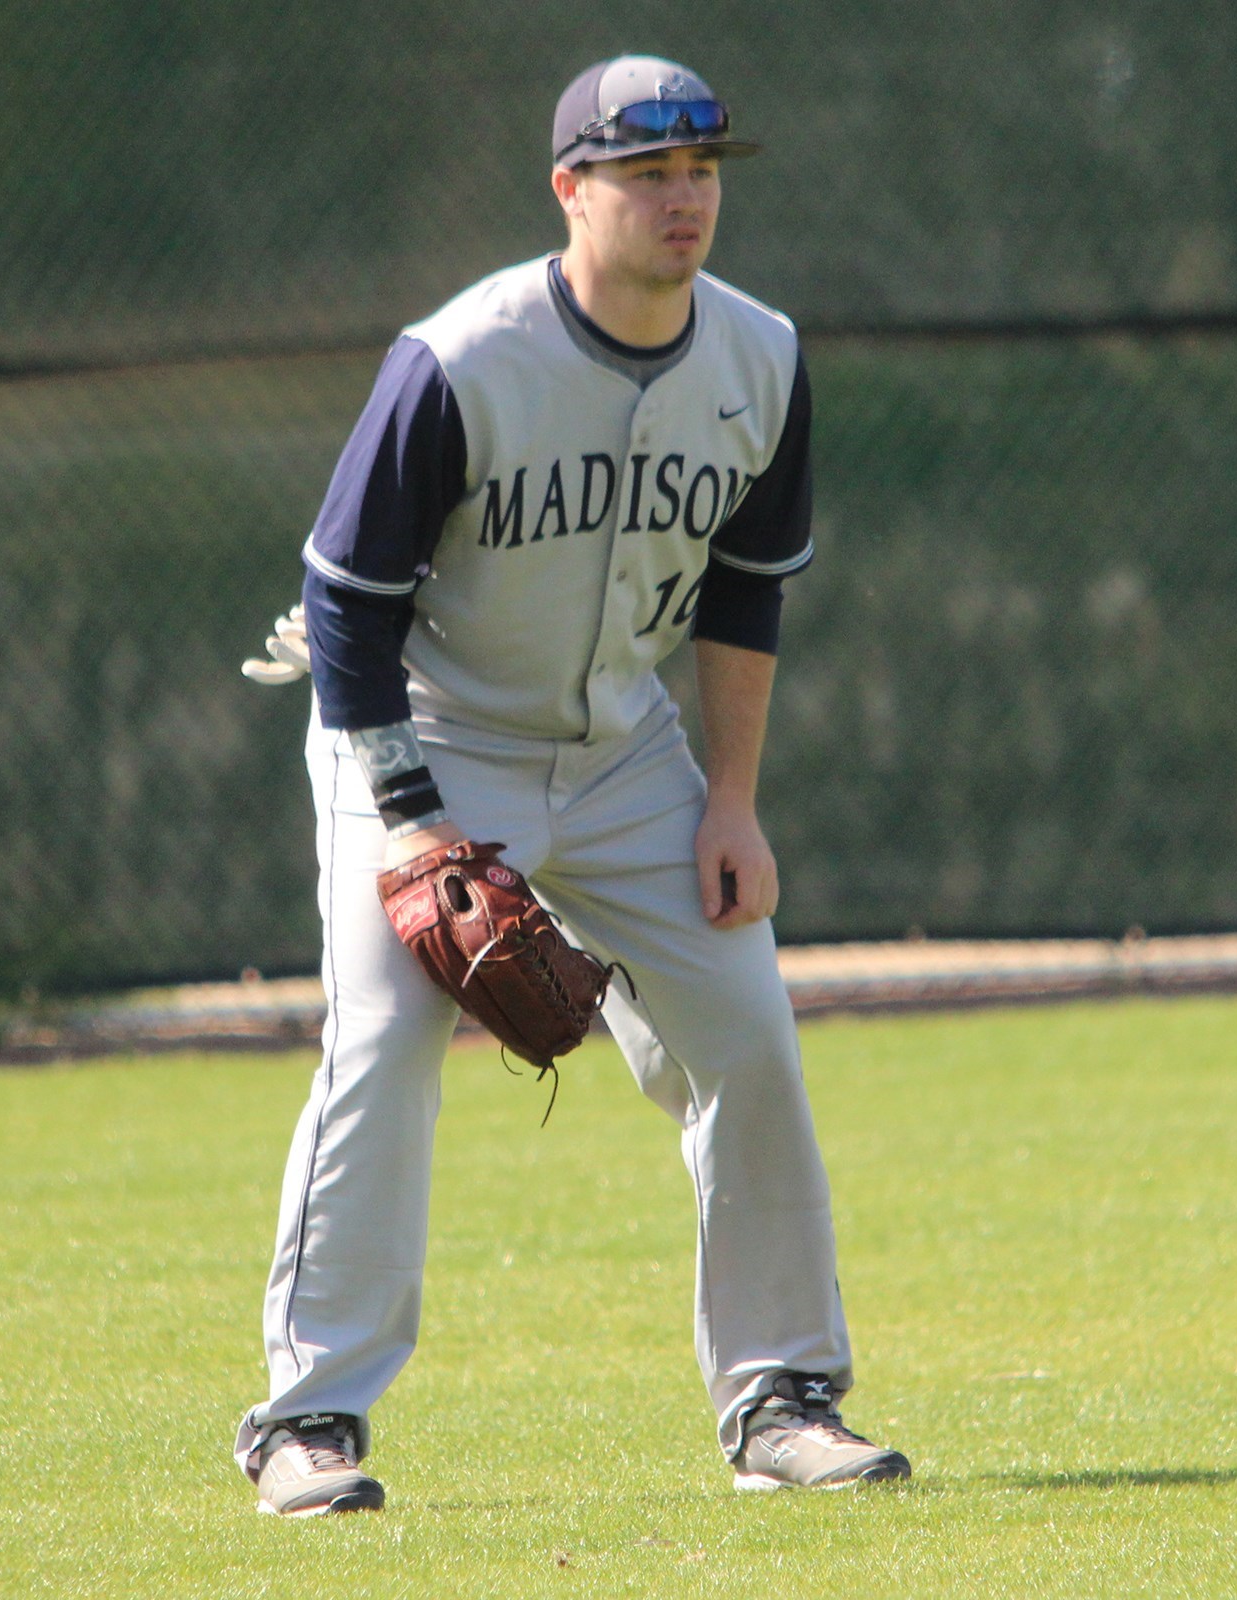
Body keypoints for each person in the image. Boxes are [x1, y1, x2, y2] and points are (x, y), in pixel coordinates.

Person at [235, 54, 910, 1516]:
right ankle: (307, 1421)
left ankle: (782, 1401)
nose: (684, 197)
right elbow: (345, 604)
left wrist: (731, 800)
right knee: (385, 1042)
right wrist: (412, 821)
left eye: (701, 170)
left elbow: (746, 591)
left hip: (624, 751)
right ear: (571, 191)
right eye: (646, 173)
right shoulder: (460, 360)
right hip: (425, 734)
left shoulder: (762, 358)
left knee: (746, 1035)